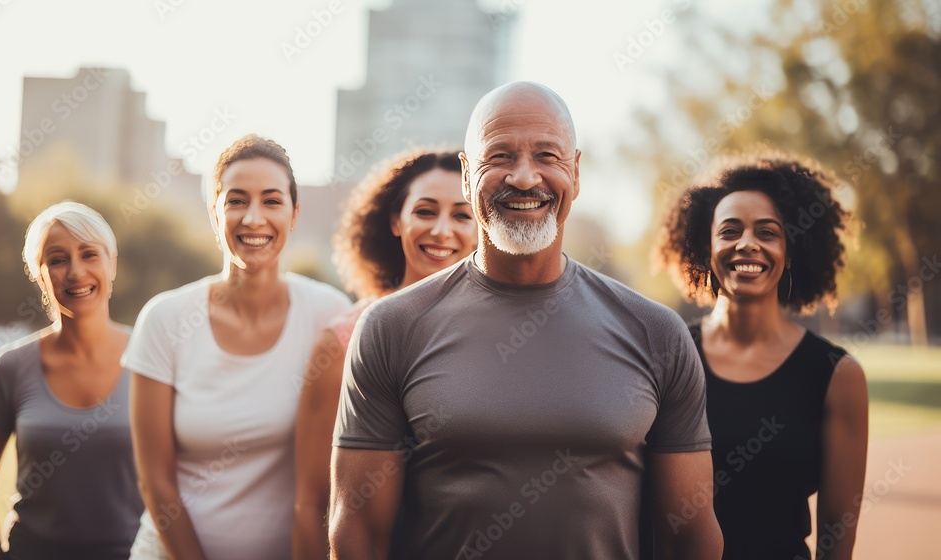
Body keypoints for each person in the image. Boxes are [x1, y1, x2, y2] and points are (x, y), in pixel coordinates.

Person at [328, 82, 723, 559]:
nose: (523, 177)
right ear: (467, 174)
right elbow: (358, 534)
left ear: (575, 172)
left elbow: (691, 536)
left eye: (546, 156)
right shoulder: (391, 327)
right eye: (499, 157)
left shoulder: (656, 333)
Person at [125, 134, 350, 560]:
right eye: (236, 201)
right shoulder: (165, 319)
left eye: (271, 201)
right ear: (214, 213)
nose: (253, 218)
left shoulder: (329, 314)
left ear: (294, 213)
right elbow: (155, 482)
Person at [656, 153, 868, 560]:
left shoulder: (837, 375)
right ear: (706, 248)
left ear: (791, 251)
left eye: (767, 232)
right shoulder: (668, 356)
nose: (747, 243)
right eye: (730, 230)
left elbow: (837, 543)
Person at [293, 149, 477, 559]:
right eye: (426, 211)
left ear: (482, 227)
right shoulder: (342, 340)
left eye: (462, 215)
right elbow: (312, 504)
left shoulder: (501, 340)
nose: (443, 230)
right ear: (396, 221)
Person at [0, 201, 142, 560]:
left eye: (89, 254)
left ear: (112, 264)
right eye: (58, 259)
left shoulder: (151, 358)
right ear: (40, 274)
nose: (76, 272)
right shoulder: (11, 367)